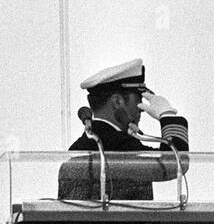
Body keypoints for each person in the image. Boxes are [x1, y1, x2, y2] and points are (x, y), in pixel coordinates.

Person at [60, 58, 188, 201]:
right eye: (138, 100)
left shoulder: (79, 146)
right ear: (117, 102)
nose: (142, 109)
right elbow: (175, 164)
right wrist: (168, 116)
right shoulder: (120, 145)